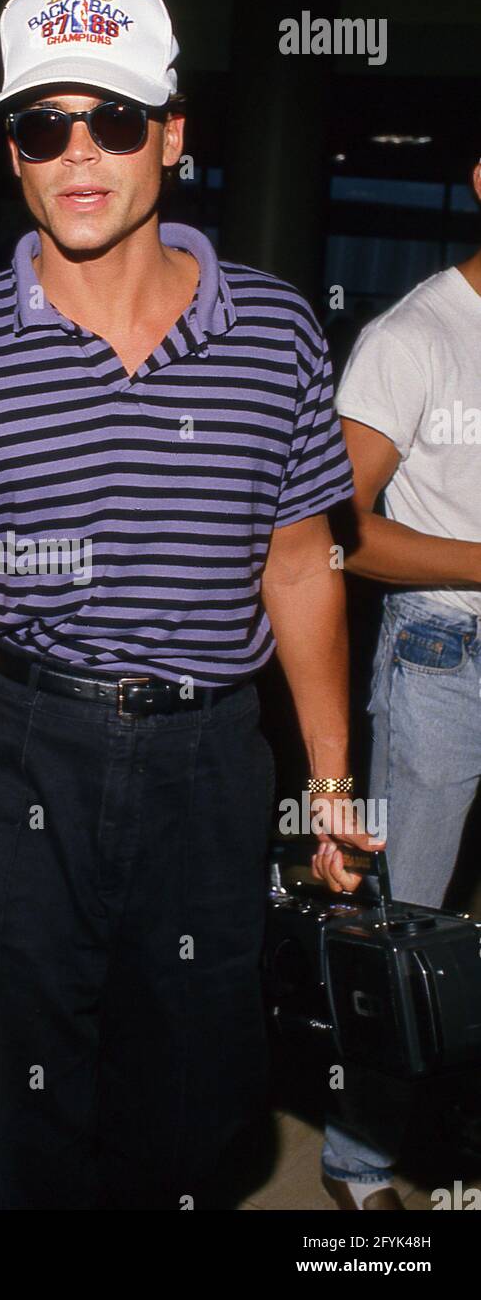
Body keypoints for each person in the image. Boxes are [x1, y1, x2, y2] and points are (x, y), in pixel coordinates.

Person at [0, 0, 367, 1210]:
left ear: (175, 136)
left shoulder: (277, 332)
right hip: (18, 747)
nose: (77, 154)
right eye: (44, 125)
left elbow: (300, 562)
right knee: (24, 1105)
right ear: (14, 151)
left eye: (114, 120)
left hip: (209, 757)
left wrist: (328, 781)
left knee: (193, 1091)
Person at [317, 155, 481, 1210]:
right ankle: (359, 1158)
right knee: (404, 919)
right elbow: (341, 532)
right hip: (442, 654)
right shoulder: (413, 338)